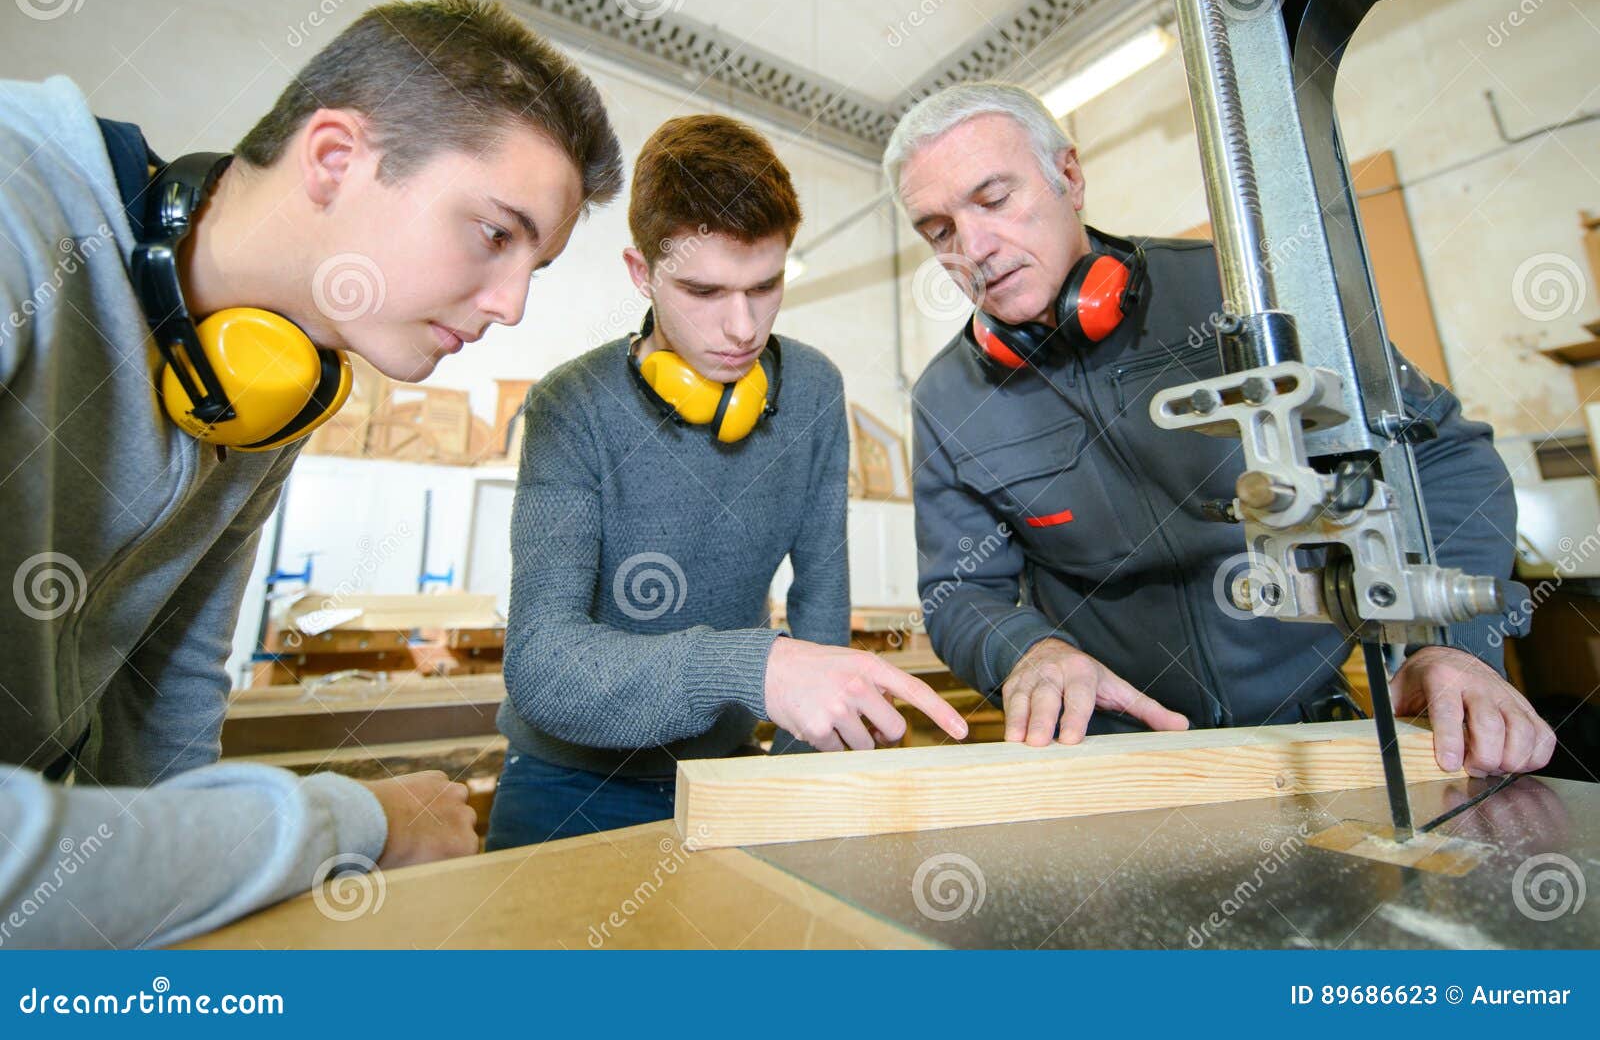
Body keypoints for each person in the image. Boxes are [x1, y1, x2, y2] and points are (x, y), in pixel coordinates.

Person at [0, 0, 623, 946]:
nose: (511, 306)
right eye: (497, 234)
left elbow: (166, 694)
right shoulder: (15, 218)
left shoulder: (274, 387)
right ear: (334, 158)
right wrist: (353, 823)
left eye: (534, 267)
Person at [886, 81, 1555, 777]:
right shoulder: (948, 398)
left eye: (995, 200)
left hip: (1312, 735)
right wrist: (1027, 651)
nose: (974, 248)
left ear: (1070, 176)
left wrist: (1450, 645)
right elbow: (960, 590)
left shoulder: (1244, 297)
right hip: (1117, 752)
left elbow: (1443, 456)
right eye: (939, 231)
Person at [488, 114, 967, 849]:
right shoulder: (571, 405)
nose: (742, 327)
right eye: (703, 290)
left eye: (765, 285)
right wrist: (753, 666)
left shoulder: (811, 392)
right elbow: (543, 667)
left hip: (726, 768)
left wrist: (801, 774)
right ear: (642, 273)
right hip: (565, 781)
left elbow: (821, 606)